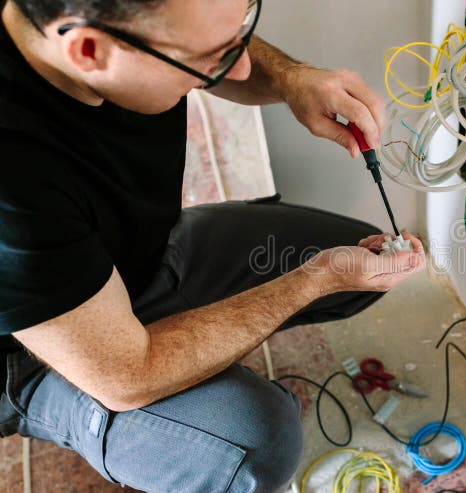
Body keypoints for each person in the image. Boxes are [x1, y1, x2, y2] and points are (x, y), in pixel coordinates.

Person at [0, 0, 426, 491]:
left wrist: (291, 78)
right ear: (90, 52)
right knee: (257, 445)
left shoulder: (102, 28)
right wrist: (315, 279)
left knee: (357, 268)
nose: (240, 68)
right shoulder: (14, 184)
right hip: (41, 349)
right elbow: (127, 375)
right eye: (210, 57)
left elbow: (204, 32)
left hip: (136, 254)